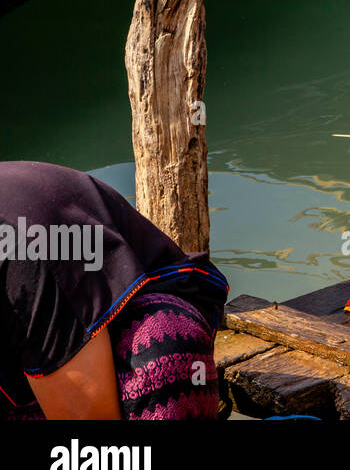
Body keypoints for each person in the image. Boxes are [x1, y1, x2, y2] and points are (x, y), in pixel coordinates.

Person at [0, 161, 228, 420]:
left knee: (159, 352)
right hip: (31, 352)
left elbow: (89, 416)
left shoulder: (24, 255)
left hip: (138, 317)